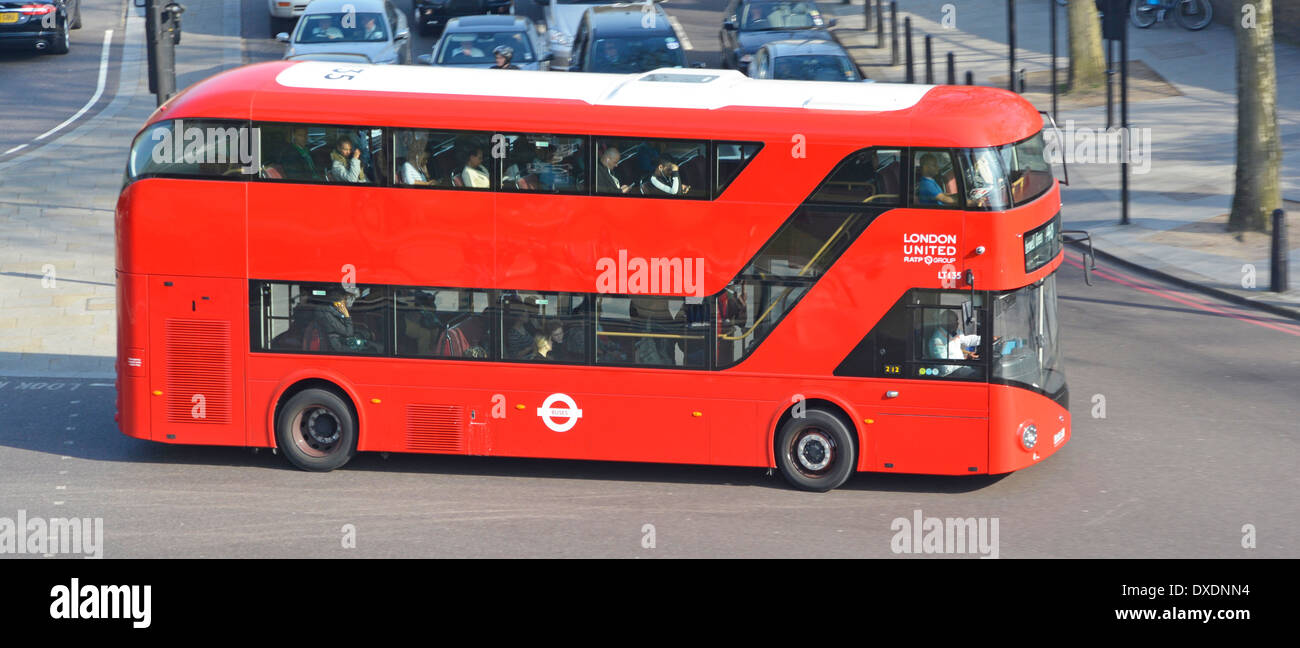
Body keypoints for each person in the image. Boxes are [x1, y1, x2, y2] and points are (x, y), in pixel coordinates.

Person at [927, 310, 980, 376]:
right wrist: (965, 359)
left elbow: (968, 340)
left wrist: (986, 339)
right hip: (950, 375)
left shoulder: (953, 332)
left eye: (957, 321)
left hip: (962, 367)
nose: (957, 323)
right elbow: (945, 368)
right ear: (945, 322)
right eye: (953, 321)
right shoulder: (937, 341)